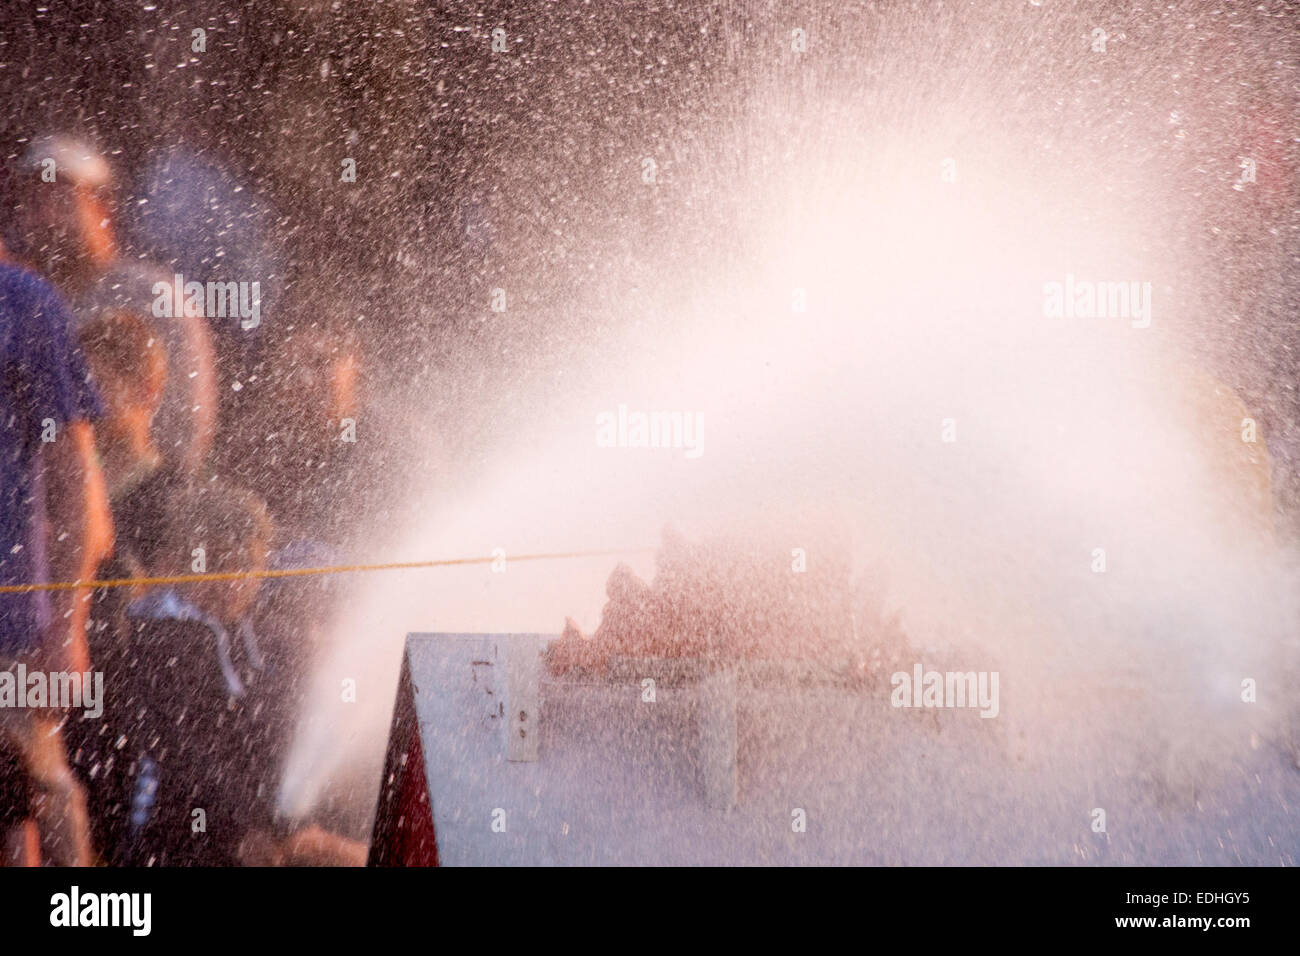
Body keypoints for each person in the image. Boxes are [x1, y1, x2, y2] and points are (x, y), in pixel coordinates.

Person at [8, 133, 217, 474]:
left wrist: (148, 502)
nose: (44, 216)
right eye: (33, 202)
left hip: (139, 500)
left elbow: (185, 423)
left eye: (59, 200)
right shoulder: (17, 302)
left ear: (102, 207)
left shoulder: (151, 295)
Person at [0, 261, 111, 866]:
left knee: (39, 792)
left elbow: (74, 471)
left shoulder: (23, 303)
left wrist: (68, 625)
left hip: (13, 632)